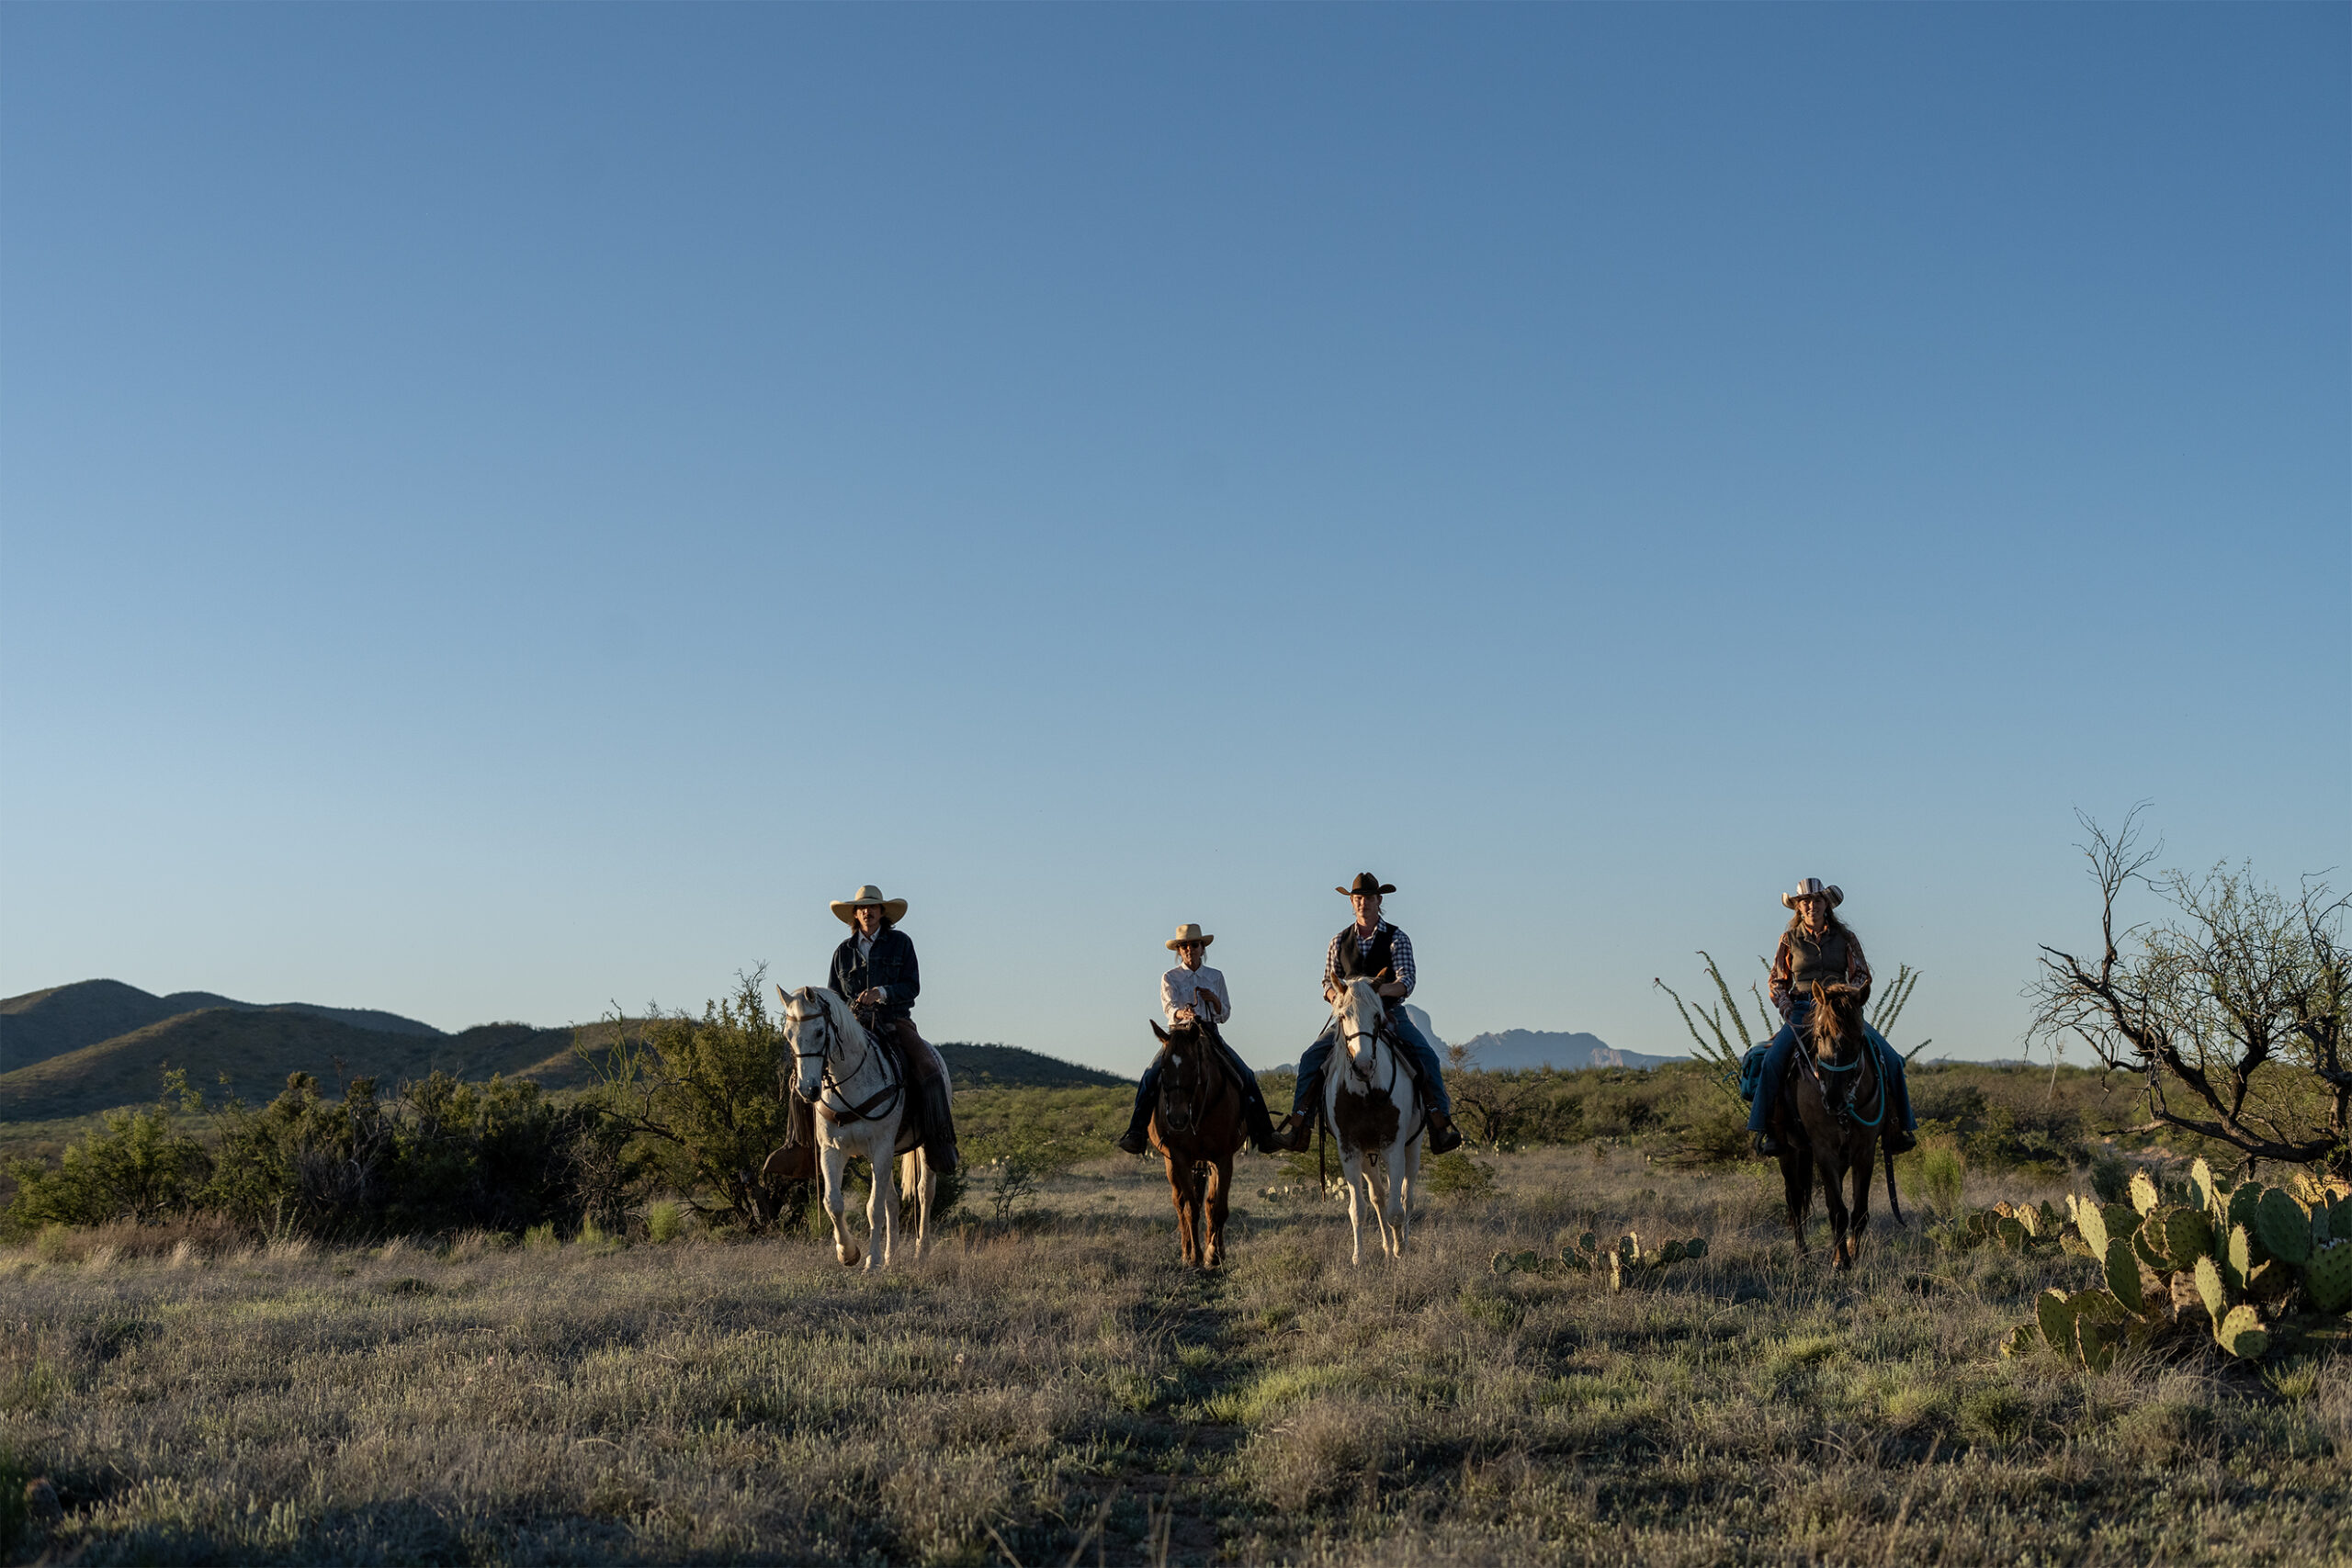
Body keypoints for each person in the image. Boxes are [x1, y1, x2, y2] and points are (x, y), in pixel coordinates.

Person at [1274, 874, 1463, 1155]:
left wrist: (1377, 993)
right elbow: (1328, 982)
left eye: (1369, 898)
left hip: (1388, 1014)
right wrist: (1338, 997)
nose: (1363, 903)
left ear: (1379, 901)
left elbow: (1406, 981)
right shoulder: (1339, 940)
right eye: (1358, 898)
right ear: (1352, 902)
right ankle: (1300, 1124)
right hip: (1349, 1018)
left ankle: (1439, 1123)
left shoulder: (1396, 937)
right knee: (1311, 1058)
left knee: (1426, 1056)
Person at [1747, 877, 1917, 1158]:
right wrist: (1786, 1005)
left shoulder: (1846, 938)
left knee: (1893, 1060)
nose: (1810, 906)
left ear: (1827, 904)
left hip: (1840, 1010)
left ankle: (1899, 1128)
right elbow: (1777, 981)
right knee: (1774, 1060)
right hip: (1802, 1010)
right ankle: (1769, 1131)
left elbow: (1861, 975)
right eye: (1805, 902)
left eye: (1816, 901)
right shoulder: (1789, 940)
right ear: (1798, 908)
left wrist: (1846, 995)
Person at [1114, 923, 1283, 1156]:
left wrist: (1214, 1000)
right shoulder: (1170, 977)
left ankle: (1264, 1133)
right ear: (1178, 951)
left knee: (1245, 1074)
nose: (1189, 949)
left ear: (1202, 948)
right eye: (1183, 946)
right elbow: (1169, 1007)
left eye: (1194, 945)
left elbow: (1224, 1014)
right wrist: (1183, 1013)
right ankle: (1136, 1133)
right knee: (1151, 1074)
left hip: (1209, 1033)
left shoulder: (1215, 977)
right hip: (1179, 1036)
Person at [826, 885, 959, 1173]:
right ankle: (802, 1147)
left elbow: (912, 986)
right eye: (862, 908)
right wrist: (851, 1009)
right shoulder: (842, 952)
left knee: (930, 1070)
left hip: (895, 1023)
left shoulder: (901, 943)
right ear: (854, 914)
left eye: (873, 907)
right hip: (854, 1029)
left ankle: (939, 1144)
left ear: (882, 912)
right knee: (810, 1074)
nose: (867, 912)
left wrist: (881, 993)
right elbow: (833, 996)